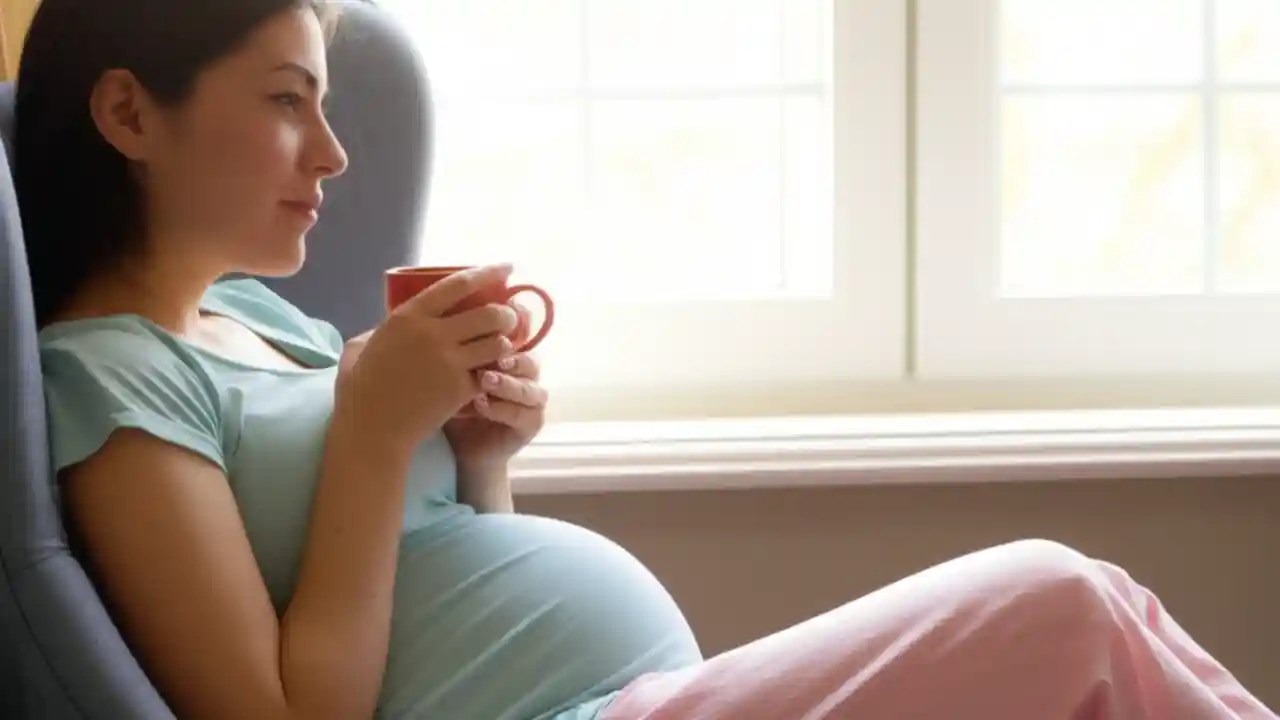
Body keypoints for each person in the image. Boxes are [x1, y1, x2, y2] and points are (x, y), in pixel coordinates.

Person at [18, 1, 1274, 718]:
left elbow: (436, 577)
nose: (333, 154)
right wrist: (371, 434)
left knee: (1096, 621)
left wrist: (477, 459)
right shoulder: (107, 379)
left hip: (643, 696)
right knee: (1064, 603)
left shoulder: (264, 326)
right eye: (287, 99)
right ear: (129, 113)